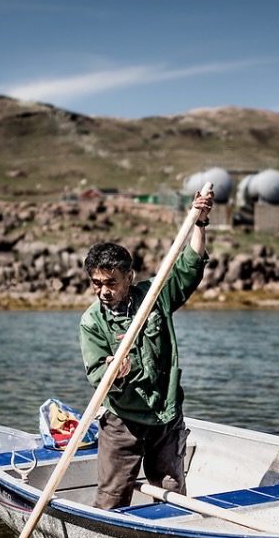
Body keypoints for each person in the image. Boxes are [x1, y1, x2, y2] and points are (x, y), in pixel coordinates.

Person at [78, 188, 213, 509]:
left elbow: (190, 266)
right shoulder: (92, 322)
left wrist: (200, 222)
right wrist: (115, 373)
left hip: (165, 416)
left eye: (111, 282)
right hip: (123, 422)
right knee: (111, 499)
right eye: (97, 283)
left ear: (129, 277)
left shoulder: (155, 295)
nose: (104, 291)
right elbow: (98, 374)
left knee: (172, 494)